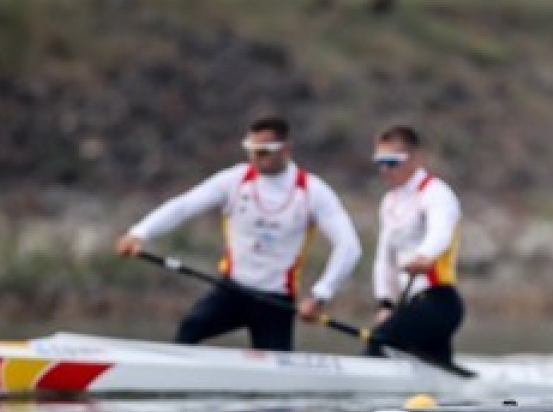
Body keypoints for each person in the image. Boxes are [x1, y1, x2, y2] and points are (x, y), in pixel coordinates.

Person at [116, 116, 362, 351]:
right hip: (231, 291)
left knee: (275, 380)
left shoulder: (313, 192)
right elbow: (183, 206)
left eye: (264, 151)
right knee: (188, 331)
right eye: (251, 150)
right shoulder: (234, 180)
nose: (255, 157)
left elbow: (349, 246)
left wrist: (320, 296)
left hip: (275, 301)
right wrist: (139, 233)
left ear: (286, 150)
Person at [365, 125, 464, 365]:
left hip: (439, 302)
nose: (385, 170)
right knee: (433, 368)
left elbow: (441, 231)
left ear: (416, 158)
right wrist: (386, 303)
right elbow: (384, 259)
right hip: (411, 302)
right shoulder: (389, 202)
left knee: (377, 342)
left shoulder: (436, 193)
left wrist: (425, 256)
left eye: (392, 162)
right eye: (380, 162)